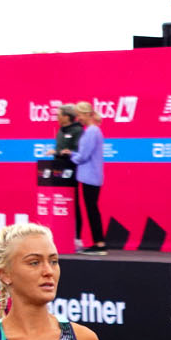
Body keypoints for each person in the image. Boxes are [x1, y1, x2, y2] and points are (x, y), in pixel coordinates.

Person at [69, 101, 106, 252]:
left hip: (90, 176)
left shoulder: (92, 131)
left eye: (79, 115)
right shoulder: (93, 130)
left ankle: (99, 243)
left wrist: (70, 155)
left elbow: (83, 156)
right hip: (90, 175)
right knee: (91, 209)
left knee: (92, 209)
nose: (78, 119)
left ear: (85, 114)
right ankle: (98, 242)